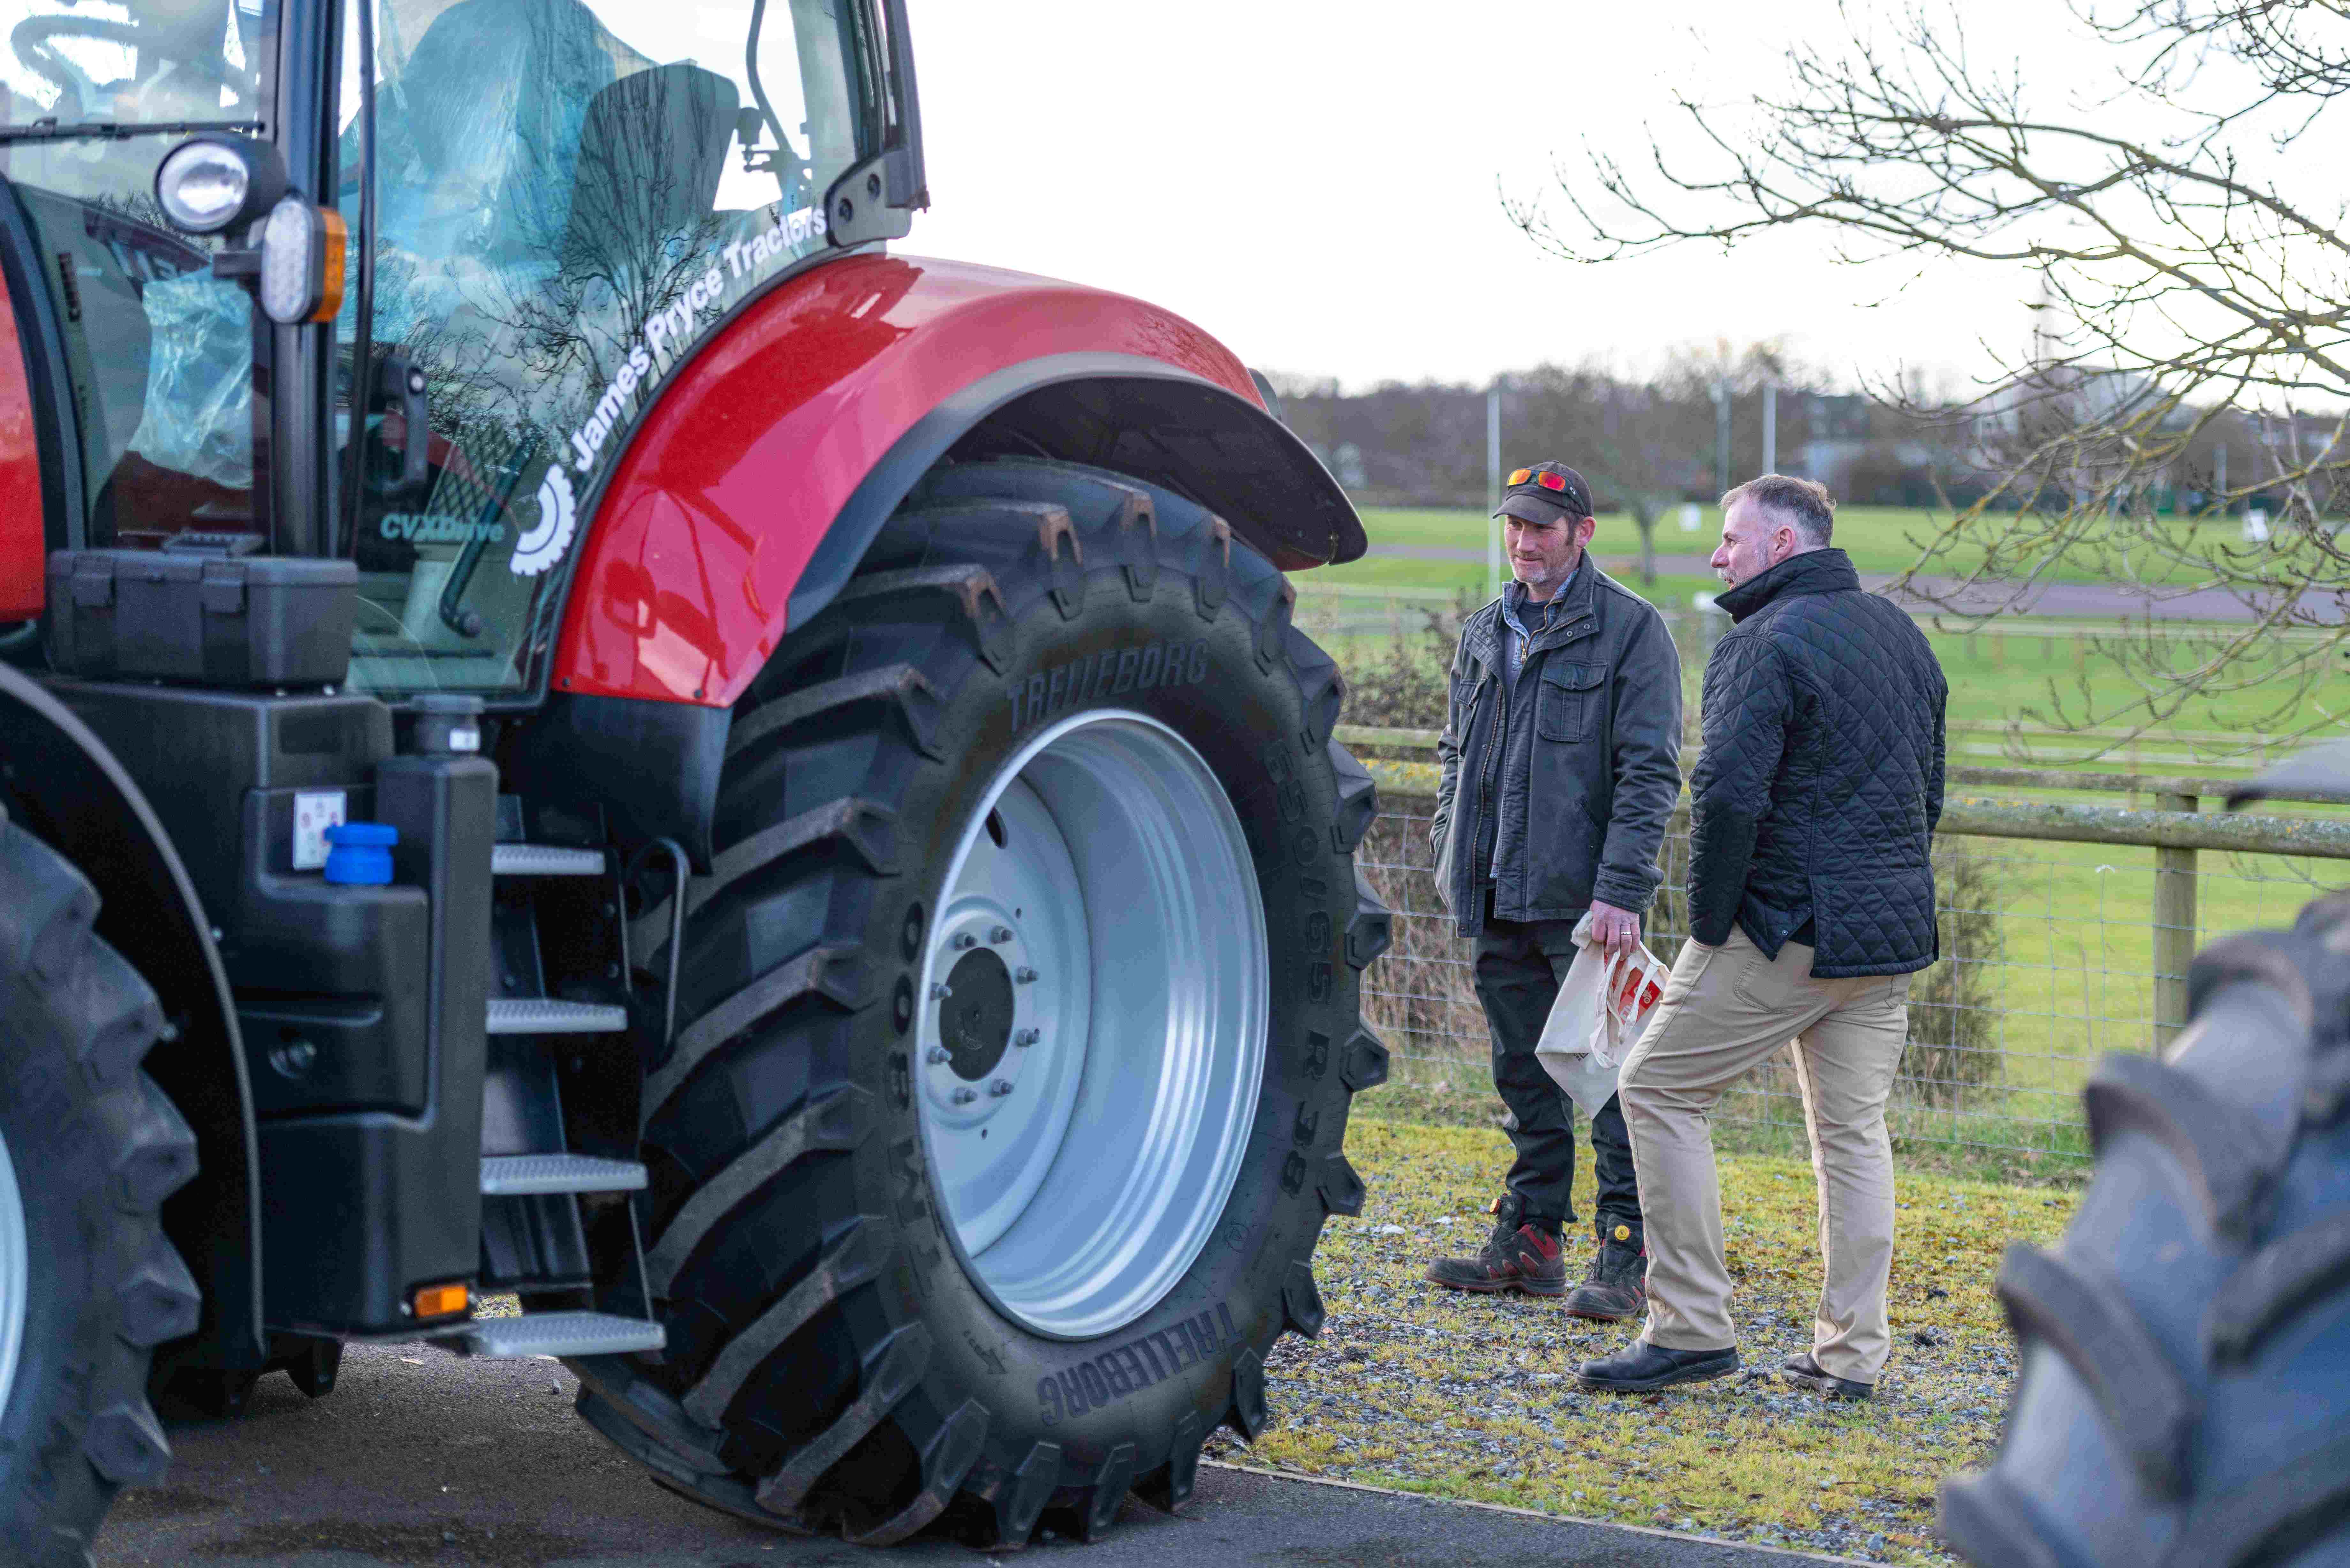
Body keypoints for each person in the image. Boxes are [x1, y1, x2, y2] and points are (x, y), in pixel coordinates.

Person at [1577, 474, 1948, 1397]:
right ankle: (1853, 1355)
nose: (1717, 555)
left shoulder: (1761, 644)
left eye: (1733, 539)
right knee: (1853, 1135)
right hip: (1889, 935)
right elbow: (1930, 788)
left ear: (1784, 545)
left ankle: (1692, 1326)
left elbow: (1729, 799)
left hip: (1784, 929)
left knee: (1655, 1088)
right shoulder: (1902, 634)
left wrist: (1709, 929)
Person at [1425, 461, 1684, 1317]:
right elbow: (1456, 754)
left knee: (1605, 1076)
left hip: (1586, 907)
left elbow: (1648, 773)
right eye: (1515, 524)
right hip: (1494, 889)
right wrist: (1445, 848)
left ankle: (1625, 1250)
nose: (1525, 541)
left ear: (1583, 532)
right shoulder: (1481, 631)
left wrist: (1621, 890)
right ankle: (1532, 1239)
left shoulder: (1632, 631)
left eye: (1542, 527)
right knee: (1521, 1074)